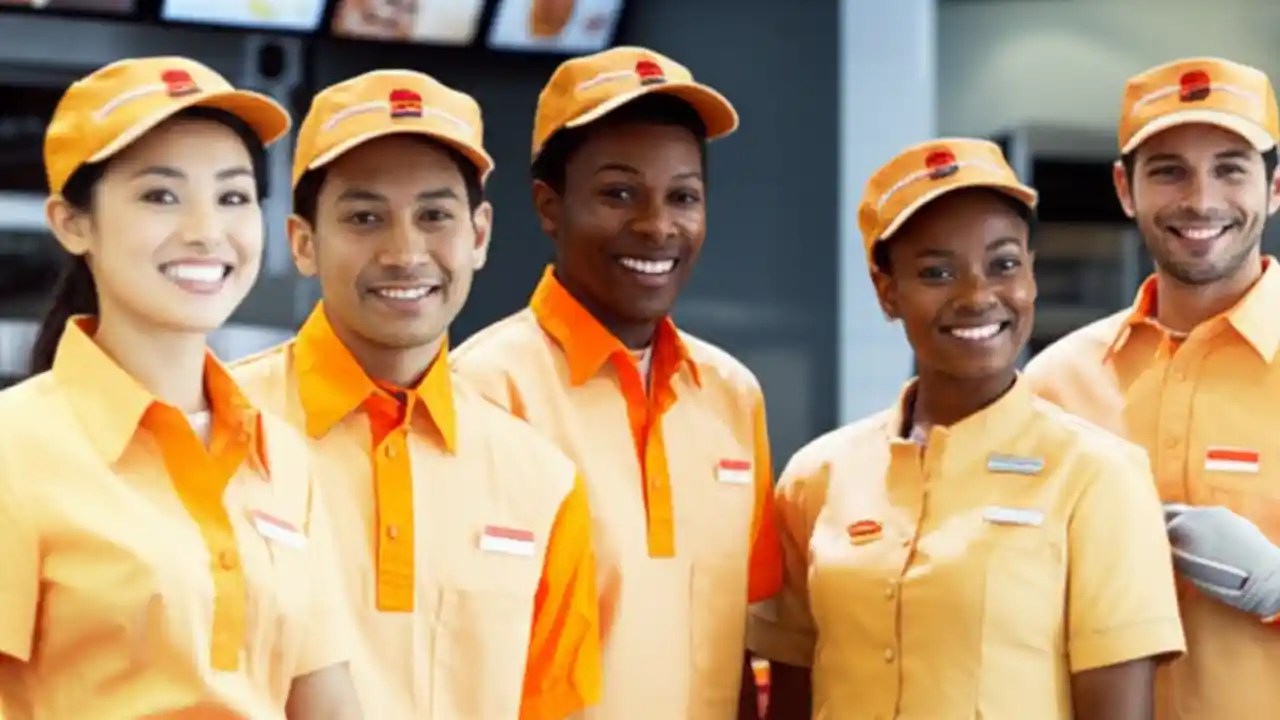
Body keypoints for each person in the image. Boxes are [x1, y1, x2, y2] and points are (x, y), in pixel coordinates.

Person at [749, 138, 1187, 719]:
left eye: (1003, 265)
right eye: (936, 272)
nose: (977, 296)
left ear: (1031, 275)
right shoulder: (817, 477)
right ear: (887, 292)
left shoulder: (1100, 476)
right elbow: (790, 693)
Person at [229, 69, 601, 720]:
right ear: (304, 243)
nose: (404, 252)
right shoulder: (213, 427)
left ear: (479, 235)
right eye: (365, 218)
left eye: (434, 216)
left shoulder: (542, 481)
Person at [0, 57, 361, 719]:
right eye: (161, 196)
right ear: (73, 222)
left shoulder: (281, 458)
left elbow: (328, 705)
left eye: (233, 197)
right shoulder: (13, 448)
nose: (205, 231)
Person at [451, 46, 782, 719]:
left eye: (683, 197)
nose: (657, 226)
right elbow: (461, 659)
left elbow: (745, 643)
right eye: (618, 193)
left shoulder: (732, 395)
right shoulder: (485, 390)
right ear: (549, 206)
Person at [1024, 56, 1280, 719]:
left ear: (1275, 187)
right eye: (1169, 171)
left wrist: (1278, 590)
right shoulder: (1054, 384)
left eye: (1230, 169)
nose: (1201, 200)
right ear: (1125, 188)